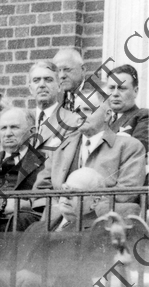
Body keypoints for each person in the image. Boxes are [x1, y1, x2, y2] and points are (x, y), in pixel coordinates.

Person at [35, 77, 146, 208]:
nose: (80, 115)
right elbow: (41, 190)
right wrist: (59, 208)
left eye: (87, 110)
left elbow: (126, 194)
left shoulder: (129, 147)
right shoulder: (59, 147)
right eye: (76, 111)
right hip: (59, 215)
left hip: (102, 216)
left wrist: (84, 207)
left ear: (107, 115)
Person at [27, 61, 77, 154]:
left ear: (59, 86)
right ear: (30, 88)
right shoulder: (24, 119)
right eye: (36, 80)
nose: (42, 85)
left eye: (48, 80)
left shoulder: (72, 121)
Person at [106, 64, 148, 152]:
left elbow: (137, 151)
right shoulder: (102, 118)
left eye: (122, 88)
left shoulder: (143, 117)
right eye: (111, 88)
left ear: (135, 91)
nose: (115, 93)